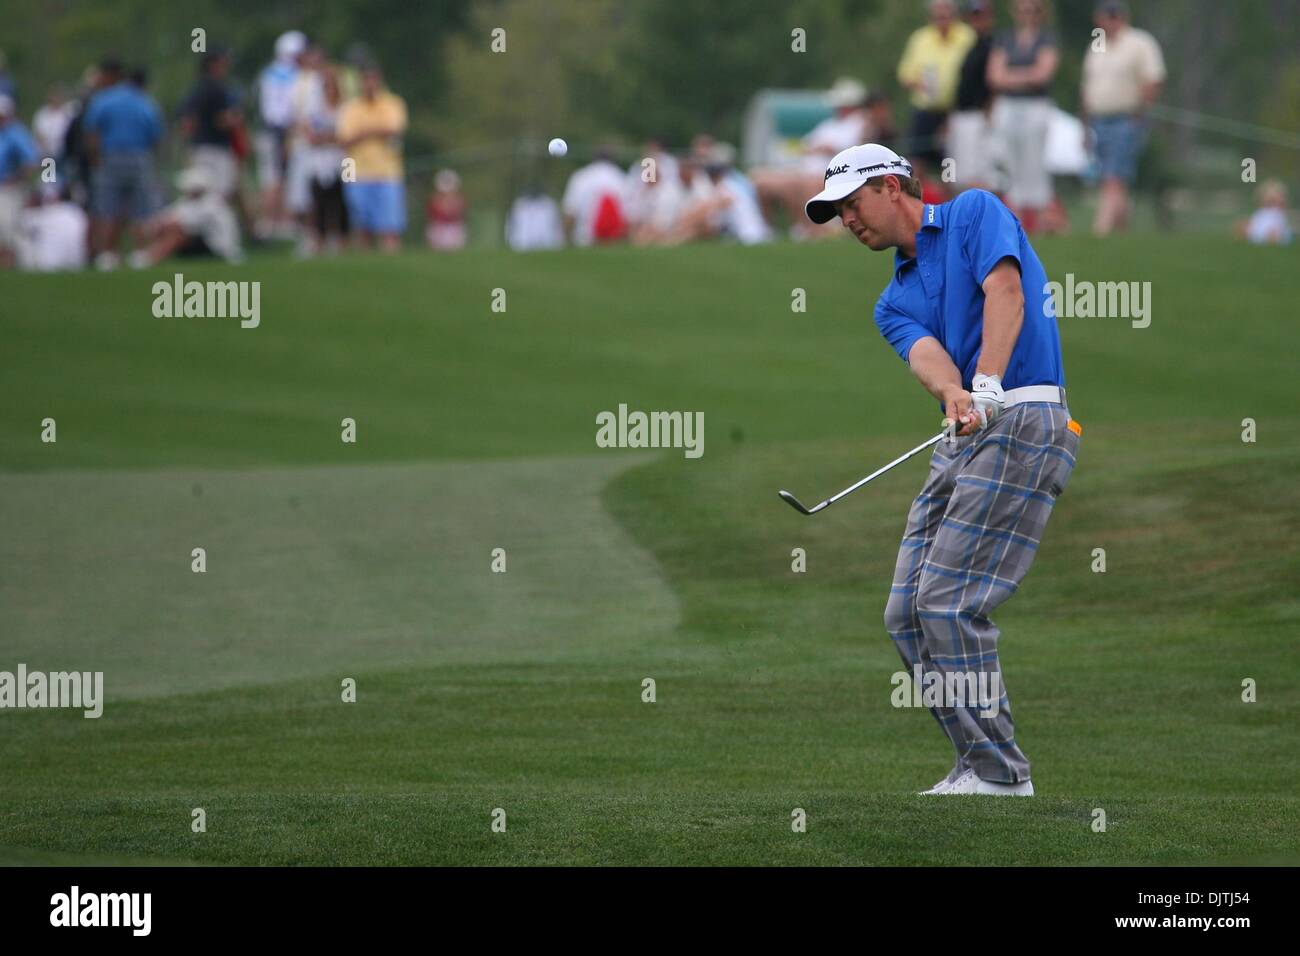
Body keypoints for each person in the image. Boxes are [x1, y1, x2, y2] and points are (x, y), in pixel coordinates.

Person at [805, 143, 1079, 796]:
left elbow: (1005, 292)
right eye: (837, 212)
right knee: (905, 613)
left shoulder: (973, 213)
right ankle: (974, 764)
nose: (847, 219)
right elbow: (926, 356)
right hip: (969, 424)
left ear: (895, 186)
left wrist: (986, 380)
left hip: (1024, 416)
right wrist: (955, 394)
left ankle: (1002, 775)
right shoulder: (890, 301)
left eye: (852, 203)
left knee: (948, 603)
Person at [1081, 0, 1165, 235]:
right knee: (1112, 177)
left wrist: (1140, 111)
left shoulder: (1140, 42)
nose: (1110, 20)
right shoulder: (1096, 47)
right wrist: (1085, 127)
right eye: (1106, 15)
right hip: (1099, 121)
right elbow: (1087, 89)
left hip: (1126, 119)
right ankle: (1121, 233)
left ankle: (1101, 229)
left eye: (1114, 15)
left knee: (1114, 175)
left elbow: (1154, 79)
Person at [82, 57, 163, 269]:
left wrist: (95, 159)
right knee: (140, 208)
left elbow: (92, 132)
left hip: (110, 157)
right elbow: (156, 135)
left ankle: (108, 254)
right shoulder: (145, 101)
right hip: (139, 157)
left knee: (109, 208)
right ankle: (140, 253)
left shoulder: (105, 99)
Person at [988, 0, 1060, 232]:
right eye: (1023, 10)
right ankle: (1016, 220)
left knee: (1034, 161)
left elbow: (1043, 74)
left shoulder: (1046, 39)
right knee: (1011, 162)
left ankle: (1038, 221)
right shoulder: (1005, 39)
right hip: (1009, 105)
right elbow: (995, 76)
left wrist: (1012, 76)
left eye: (1032, 10)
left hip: (1035, 106)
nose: (1027, 14)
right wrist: (1025, 76)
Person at [896, 0, 976, 190]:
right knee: (915, 164)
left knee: (950, 168)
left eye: (946, 11)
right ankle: (917, 207)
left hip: (955, 112)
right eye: (938, 12)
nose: (942, 17)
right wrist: (919, 83)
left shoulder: (967, 37)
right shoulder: (921, 38)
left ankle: (950, 210)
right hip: (925, 111)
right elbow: (905, 74)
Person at [337, 63, 407, 252]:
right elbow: (344, 139)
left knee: (389, 225)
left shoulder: (392, 103)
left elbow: (393, 130)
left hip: (387, 170)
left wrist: (364, 132)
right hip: (354, 170)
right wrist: (374, 131)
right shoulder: (350, 108)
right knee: (361, 225)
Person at [132, 165, 242, 267]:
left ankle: (151, 257)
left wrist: (164, 224)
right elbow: (166, 218)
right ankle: (149, 253)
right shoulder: (187, 202)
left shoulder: (212, 203)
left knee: (178, 232)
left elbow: (188, 223)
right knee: (170, 228)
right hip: (200, 243)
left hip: (217, 247)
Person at [255, 30, 306, 237]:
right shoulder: (287, 75)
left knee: (279, 177)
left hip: (277, 130)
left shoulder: (270, 73)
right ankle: (273, 221)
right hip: (279, 131)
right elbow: (279, 111)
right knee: (277, 177)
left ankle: (277, 221)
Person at [178, 47, 243, 200]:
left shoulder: (197, 88)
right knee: (218, 195)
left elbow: (186, 120)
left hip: (200, 147)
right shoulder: (218, 89)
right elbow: (222, 121)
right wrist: (235, 119)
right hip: (216, 149)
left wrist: (189, 144)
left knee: (200, 193)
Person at [948, 0, 998, 193]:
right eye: (974, 16)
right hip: (964, 113)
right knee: (962, 174)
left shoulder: (993, 46)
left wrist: (990, 108)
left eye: (981, 16)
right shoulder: (971, 46)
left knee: (976, 172)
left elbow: (994, 82)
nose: (977, 21)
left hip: (979, 114)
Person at [304, 67, 348, 255]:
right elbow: (311, 136)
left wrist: (328, 138)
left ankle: (342, 240)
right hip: (320, 159)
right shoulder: (314, 108)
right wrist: (329, 138)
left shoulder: (346, 107)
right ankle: (319, 239)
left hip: (346, 160)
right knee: (319, 199)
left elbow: (347, 136)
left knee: (344, 199)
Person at [0, 93, 39, 269]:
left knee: (7, 227)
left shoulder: (15, 133)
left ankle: (28, 263)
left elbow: (32, 161)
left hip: (9, 189)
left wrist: (17, 178)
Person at [560, 148, 627, 245]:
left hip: (584, 239)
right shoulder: (621, 178)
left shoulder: (581, 177)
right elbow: (627, 216)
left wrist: (566, 240)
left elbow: (570, 214)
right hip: (614, 241)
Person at [16, 183, 88, 271]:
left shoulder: (41, 214)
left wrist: (29, 203)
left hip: (49, 265)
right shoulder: (78, 212)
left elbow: (21, 221)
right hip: (77, 263)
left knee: (24, 238)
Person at [505, 186, 564, 251]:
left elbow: (557, 227)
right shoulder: (518, 204)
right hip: (522, 245)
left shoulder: (550, 204)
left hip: (547, 245)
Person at [1238, 180, 1293, 246]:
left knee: (1273, 233)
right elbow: (1256, 222)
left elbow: (1278, 225)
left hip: (1271, 232)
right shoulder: (1261, 212)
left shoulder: (1277, 213)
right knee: (1244, 225)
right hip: (1259, 230)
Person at [425, 169, 466, 250]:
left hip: (453, 228)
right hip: (439, 228)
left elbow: (458, 213)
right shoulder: (435, 199)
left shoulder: (458, 199)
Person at [33, 83, 75, 161]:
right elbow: (39, 132)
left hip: (64, 152)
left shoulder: (68, 112)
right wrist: (47, 149)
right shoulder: (42, 113)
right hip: (45, 154)